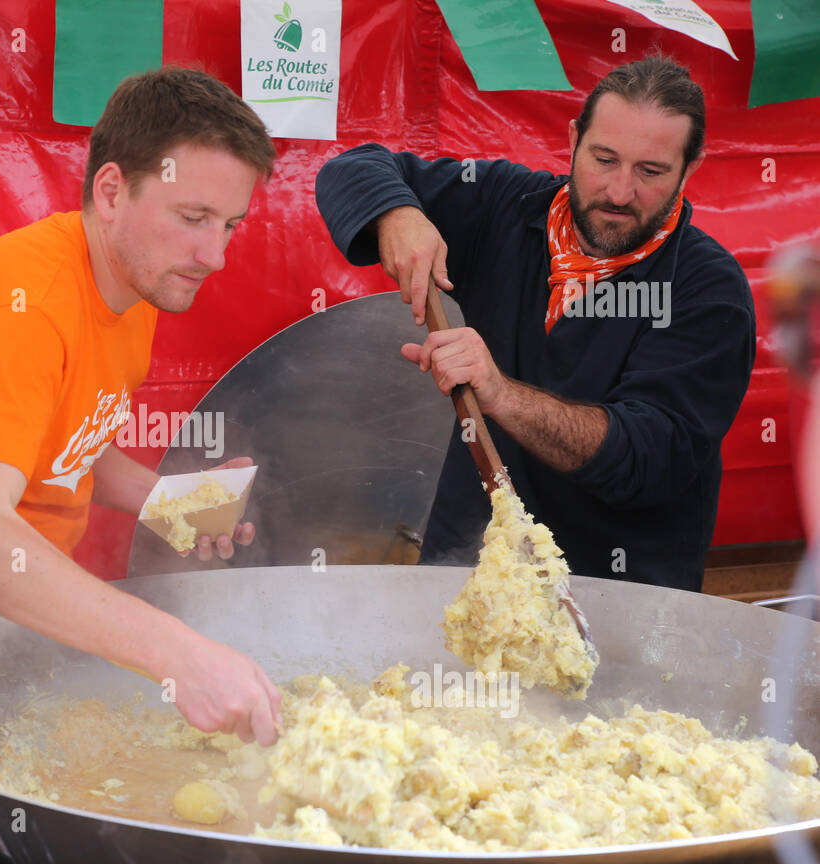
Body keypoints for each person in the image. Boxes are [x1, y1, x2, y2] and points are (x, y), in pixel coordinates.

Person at [0, 67, 283, 745]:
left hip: (5, 629)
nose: (216, 255)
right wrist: (182, 658)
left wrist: (171, 501)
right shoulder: (25, 308)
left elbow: (62, 442)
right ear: (111, 191)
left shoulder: (130, 280)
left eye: (230, 224)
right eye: (193, 218)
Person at [315, 54, 755, 591]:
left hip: (618, 597)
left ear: (691, 167)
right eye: (604, 158)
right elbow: (353, 167)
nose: (619, 191)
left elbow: (646, 457)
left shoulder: (709, 291)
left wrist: (500, 394)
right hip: (464, 569)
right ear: (573, 138)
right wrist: (397, 214)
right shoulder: (506, 204)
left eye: (651, 171)